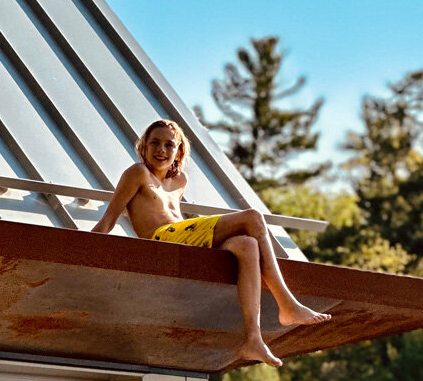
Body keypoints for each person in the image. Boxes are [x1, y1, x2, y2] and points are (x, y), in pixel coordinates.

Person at [91, 119, 330, 366]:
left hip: (186, 240)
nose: (161, 150)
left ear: (178, 151)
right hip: (163, 238)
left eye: (168, 145)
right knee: (253, 218)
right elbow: (107, 221)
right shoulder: (137, 173)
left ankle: (253, 339)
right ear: (144, 147)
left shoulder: (179, 181)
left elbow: (179, 219)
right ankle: (287, 303)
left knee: (248, 245)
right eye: (154, 143)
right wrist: (85, 248)